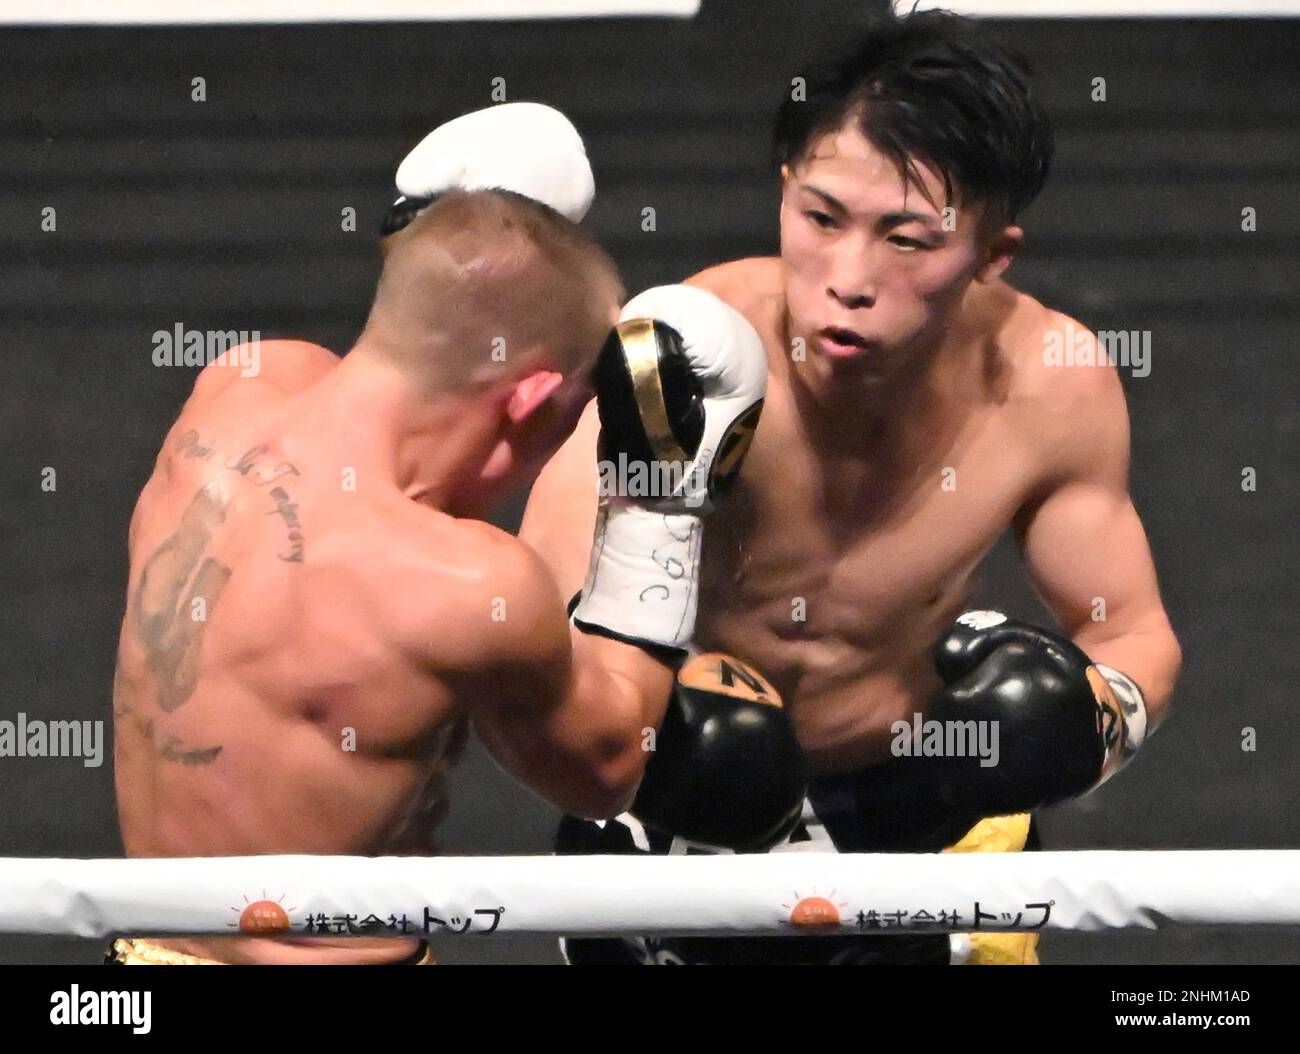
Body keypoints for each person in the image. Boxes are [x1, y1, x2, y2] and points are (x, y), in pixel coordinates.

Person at [522, 9, 1182, 965]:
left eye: (908, 241)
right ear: (784, 189)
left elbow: (1132, 632)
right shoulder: (692, 354)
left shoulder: (1052, 383)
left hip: (918, 802)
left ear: (994, 254)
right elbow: (545, 611)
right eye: (820, 218)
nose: (848, 277)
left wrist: (1093, 720)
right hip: (681, 800)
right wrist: (668, 725)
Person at [108, 105, 772, 964]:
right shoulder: (467, 588)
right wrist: (662, 502)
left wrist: (475, 239)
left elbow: (422, 359)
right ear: (531, 401)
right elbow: (608, 766)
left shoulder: (237, 386)